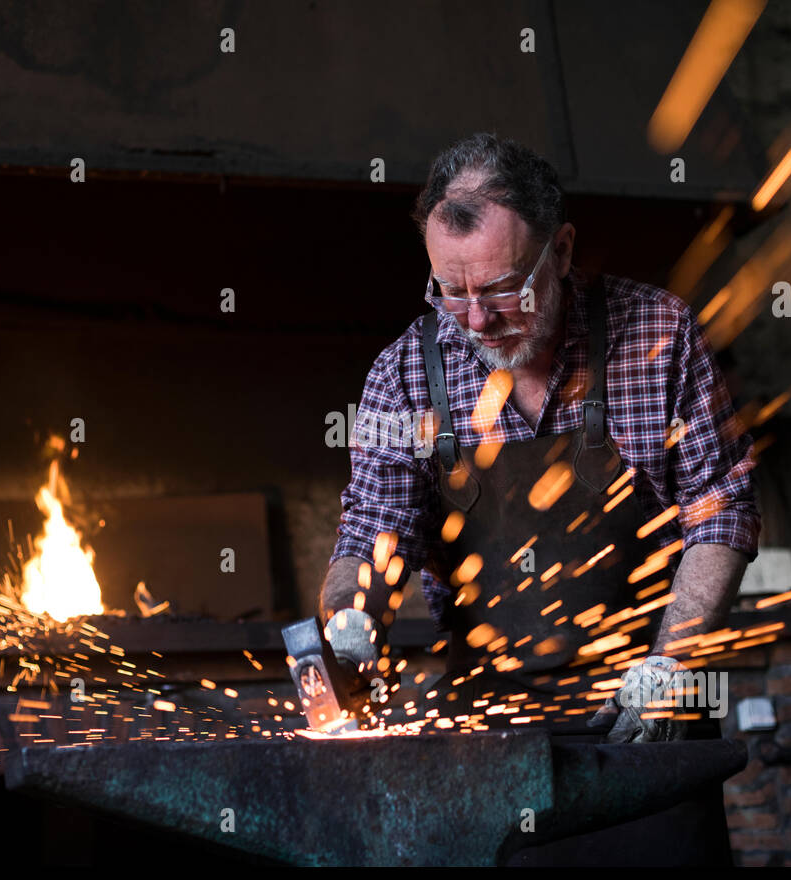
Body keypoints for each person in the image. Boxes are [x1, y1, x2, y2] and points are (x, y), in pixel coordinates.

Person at [319, 133, 760, 743]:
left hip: (650, 710)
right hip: (488, 729)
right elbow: (374, 530)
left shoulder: (659, 334)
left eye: (502, 288)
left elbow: (721, 510)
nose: (477, 319)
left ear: (560, 250)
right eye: (451, 291)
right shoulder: (402, 376)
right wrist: (350, 615)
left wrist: (672, 667)